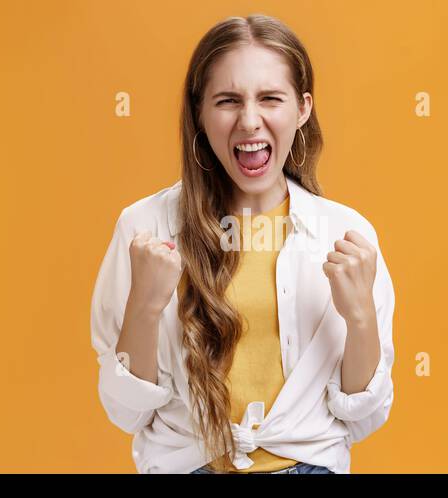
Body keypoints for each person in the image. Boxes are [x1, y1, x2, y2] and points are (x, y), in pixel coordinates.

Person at [91, 14, 395, 474]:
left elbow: (362, 417)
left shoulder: (347, 235)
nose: (249, 121)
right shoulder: (144, 229)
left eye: (270, 98)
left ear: (303, 108)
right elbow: (126, 412)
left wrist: (360, 318)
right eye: (227, 100)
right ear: (199, 111)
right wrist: (144, 307)